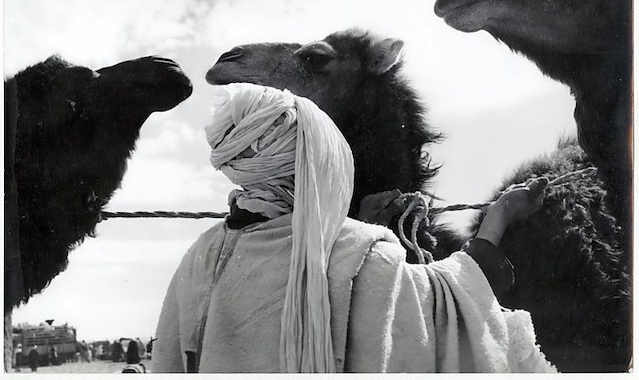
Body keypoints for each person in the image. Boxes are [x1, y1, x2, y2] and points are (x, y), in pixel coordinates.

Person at [152, 83, 555, 373]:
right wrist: (499, 216)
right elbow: (451, 308)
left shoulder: (199, 257)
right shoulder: (360, 254)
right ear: (315, 159)